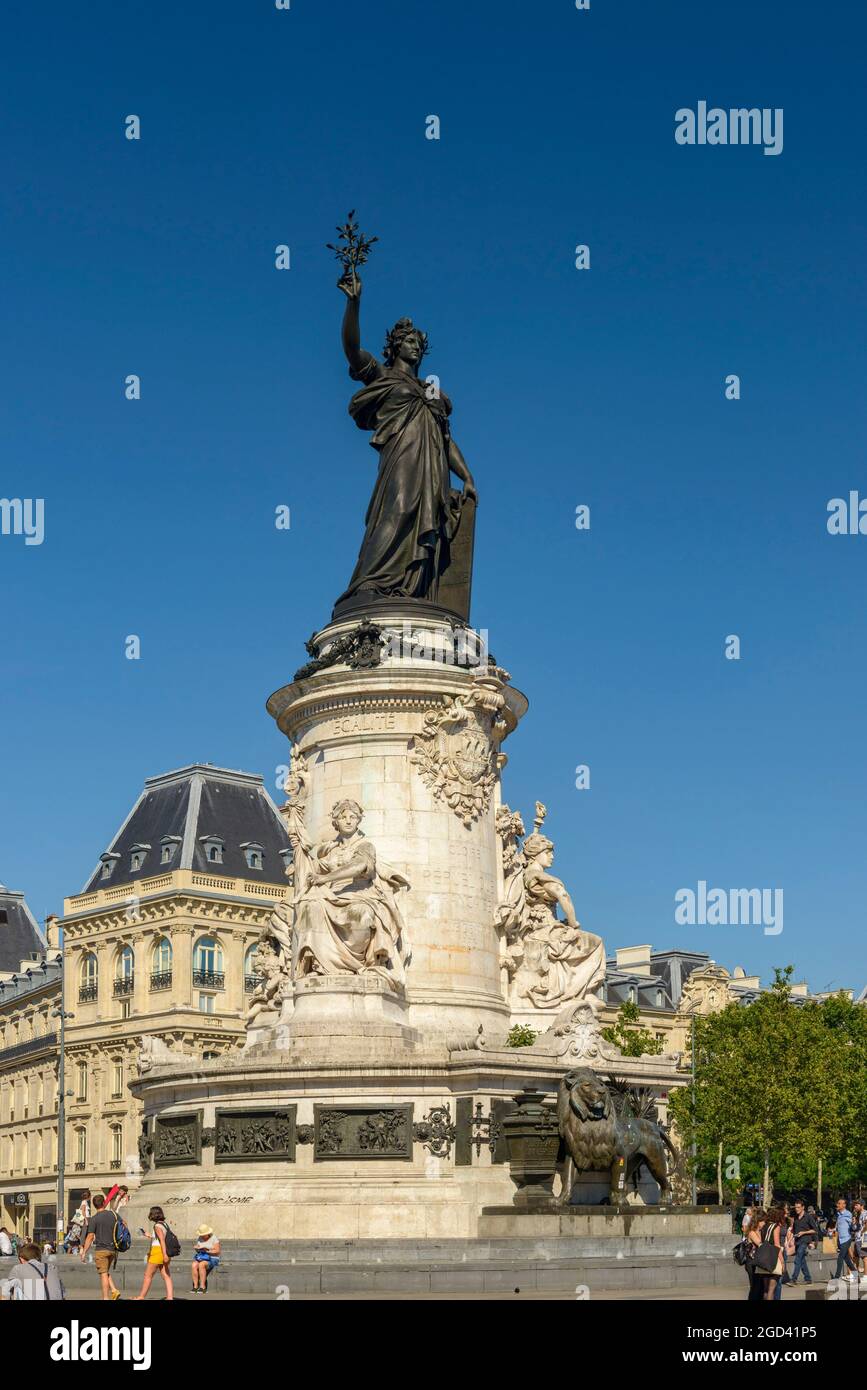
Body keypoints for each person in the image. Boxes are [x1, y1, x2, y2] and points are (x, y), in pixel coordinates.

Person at [80, 1193, 122, 1301]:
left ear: (94, 1206)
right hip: (113, 1250)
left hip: (101, 1250)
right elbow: (124, 1224)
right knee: (106, 1271)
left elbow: (90, 1237)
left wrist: (84, 1251)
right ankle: (114, 1290)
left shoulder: (94, 1219)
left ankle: (105, 1298)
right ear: (104, 1202)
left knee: (103, 1274)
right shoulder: (113, 1215)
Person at [1, 1241, 65, 1300]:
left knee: (7, 1284)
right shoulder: (53, 1268)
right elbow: (63, 1293)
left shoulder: (18, 1268)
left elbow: (7, 1291)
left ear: (21, 1259)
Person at [133, 1206, 173, 1301]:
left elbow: (162, 1241)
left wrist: (164, 1255)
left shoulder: (157, 1226)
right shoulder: (164, 1224)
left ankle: (141, 1296)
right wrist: (150, 1236)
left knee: (148, 1275)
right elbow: (160, 1239)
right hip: (164, 1251)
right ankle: (170, 1297)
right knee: (166, 1275)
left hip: (158, 1251)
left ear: (153, 1214)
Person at [748, 1205, 786, 1301]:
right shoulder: (775, 1227)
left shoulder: (763, 1228)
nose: (764, 1222)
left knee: (765, 1290)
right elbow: (776, 1245)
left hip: (762, 1262)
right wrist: (782, 1262)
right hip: (771, 1259)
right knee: (771, 1290)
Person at [790, 1198, 819, 1285]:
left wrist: (804, 1233)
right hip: (797, 1241)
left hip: (805, 1240)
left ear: (803, 1207)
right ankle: (808, 1278)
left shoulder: (808, 1217)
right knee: (802, 1260)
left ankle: (793, 1279)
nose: (797, 1209)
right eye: (795, 1207)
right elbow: (794, 1230)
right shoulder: (795, 1217)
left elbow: (815, 1230)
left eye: (798, 1207)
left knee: (798, 1258)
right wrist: (792, 1237)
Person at [832, 1198, 858, 1282]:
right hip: (840, 1240)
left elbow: (853, 1227)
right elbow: (839, 1227)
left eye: (839, 1203)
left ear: (844, 1205)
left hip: (846, 1239)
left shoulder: (848, 1214)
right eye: (838, 1203)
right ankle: (856, 1277)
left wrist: (854, 1223)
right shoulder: (839, 1214)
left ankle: (836, 1278)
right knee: (847, 1260)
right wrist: (833, 1230)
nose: (837, 1205)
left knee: (840, 1258)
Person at [191, 1226, 221, 1292]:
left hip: (213, 1258)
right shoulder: (200, 1238)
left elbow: (218, 1251)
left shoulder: (214, 1238)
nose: (202, 1236)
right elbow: (199, 1251)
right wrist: (197, 1248)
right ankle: (195, 1286)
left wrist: (207, 1251)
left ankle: (202, 1287)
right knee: (194, 1265)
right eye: (201, 1235)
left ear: (208, 1233)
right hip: (202, 1256)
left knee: (201, 1264)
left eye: (203, 1235)